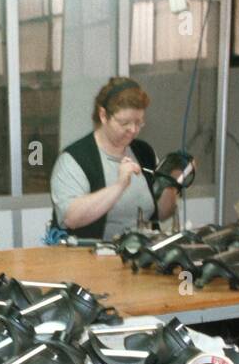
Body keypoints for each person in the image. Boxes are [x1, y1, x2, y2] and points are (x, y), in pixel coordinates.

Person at [49, 77, 186, 241]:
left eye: (139, 122)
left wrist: (172, 182)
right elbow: (70, 218)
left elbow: (162, 214)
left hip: (138, 254)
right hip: (89, 258)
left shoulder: (144, 152)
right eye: (124, 123)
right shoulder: (74, 159)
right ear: (103, 115)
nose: (133, 130)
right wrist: (120, 185)